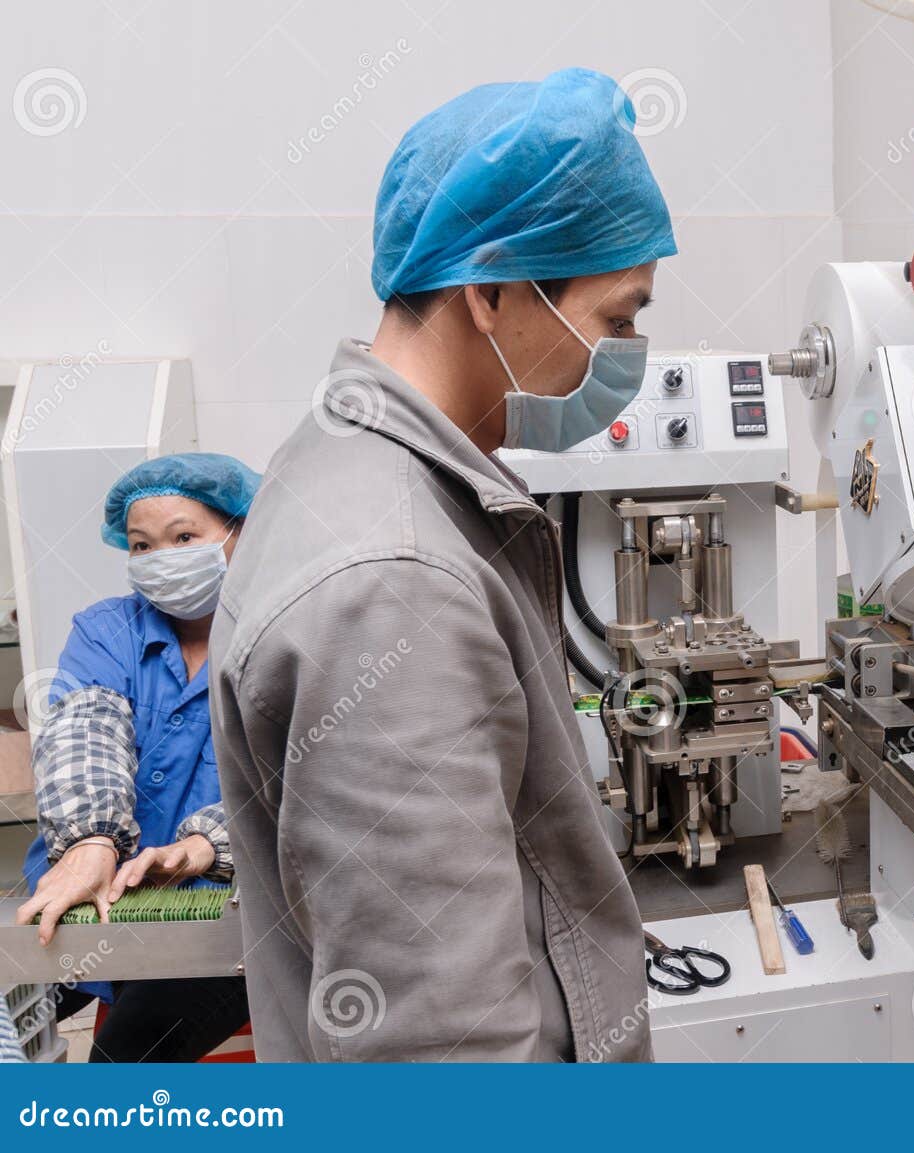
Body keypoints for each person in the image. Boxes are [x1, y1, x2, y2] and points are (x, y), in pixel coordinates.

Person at [211, 69, 674, 1062]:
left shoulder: (342, 461)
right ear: (493, 291)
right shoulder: (393, 582)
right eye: (619, 319)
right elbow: (441, 1047)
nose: (629, 355)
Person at [14, 452, 259, 1062]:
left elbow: (298, 776)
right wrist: (90, 844)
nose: (162, 559)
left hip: (224, 913)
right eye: (142, 546)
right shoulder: (107, 630)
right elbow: (83, 735)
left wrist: (207, 844)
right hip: (84, 883)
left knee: (121, 1071)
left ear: (240, 532)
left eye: (183, 537)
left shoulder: (281, 632)